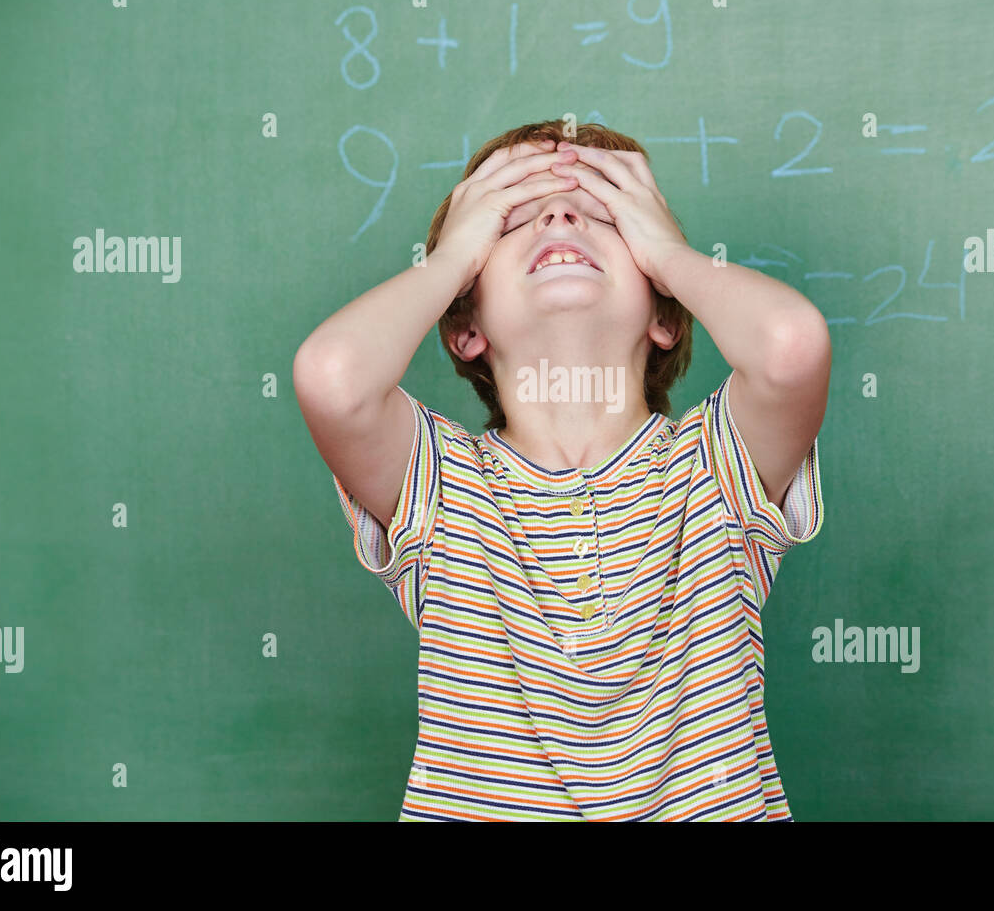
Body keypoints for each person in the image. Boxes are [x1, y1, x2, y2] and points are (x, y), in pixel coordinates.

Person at [293, 120, 829, 820]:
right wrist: (453, 255)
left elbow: (791, 347)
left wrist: (668, 250)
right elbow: (334, 379)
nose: (561, 214)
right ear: (465, 330)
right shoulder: (446, 485)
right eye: (513, 218)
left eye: (604, 211)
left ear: (665, 315)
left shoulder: (715, 468)